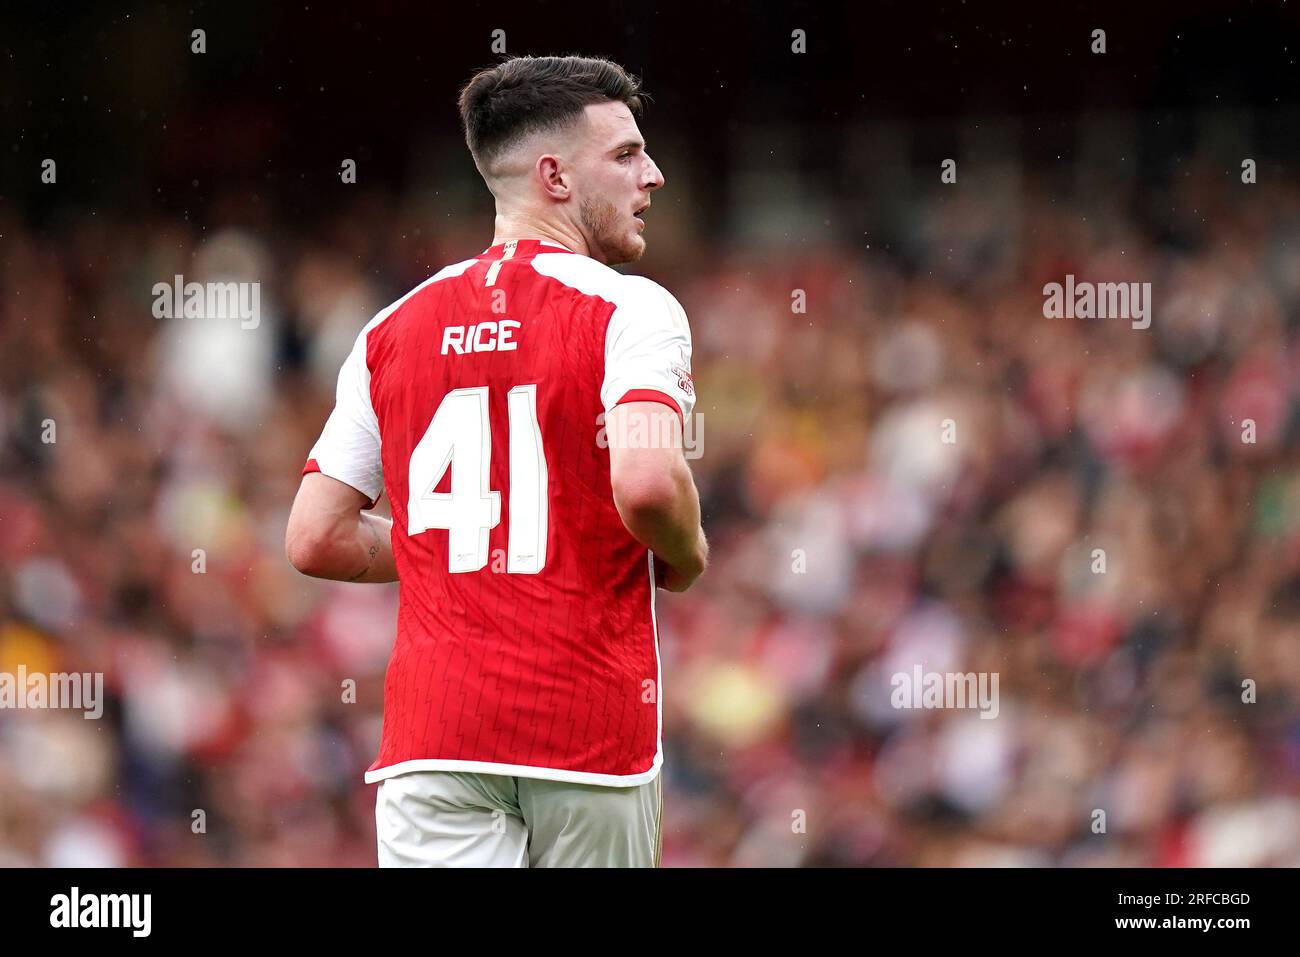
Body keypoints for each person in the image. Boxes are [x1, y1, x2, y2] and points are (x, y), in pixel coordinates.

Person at [285, 55, 707, 867]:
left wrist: (468, 542)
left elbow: (317, 537)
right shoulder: (631, 308)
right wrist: (688, 554)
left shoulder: (391, 326)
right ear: (554, 175)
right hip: (588, 734)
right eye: (625, 155)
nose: (652, 175)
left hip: (434, 740)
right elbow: (650, 483)